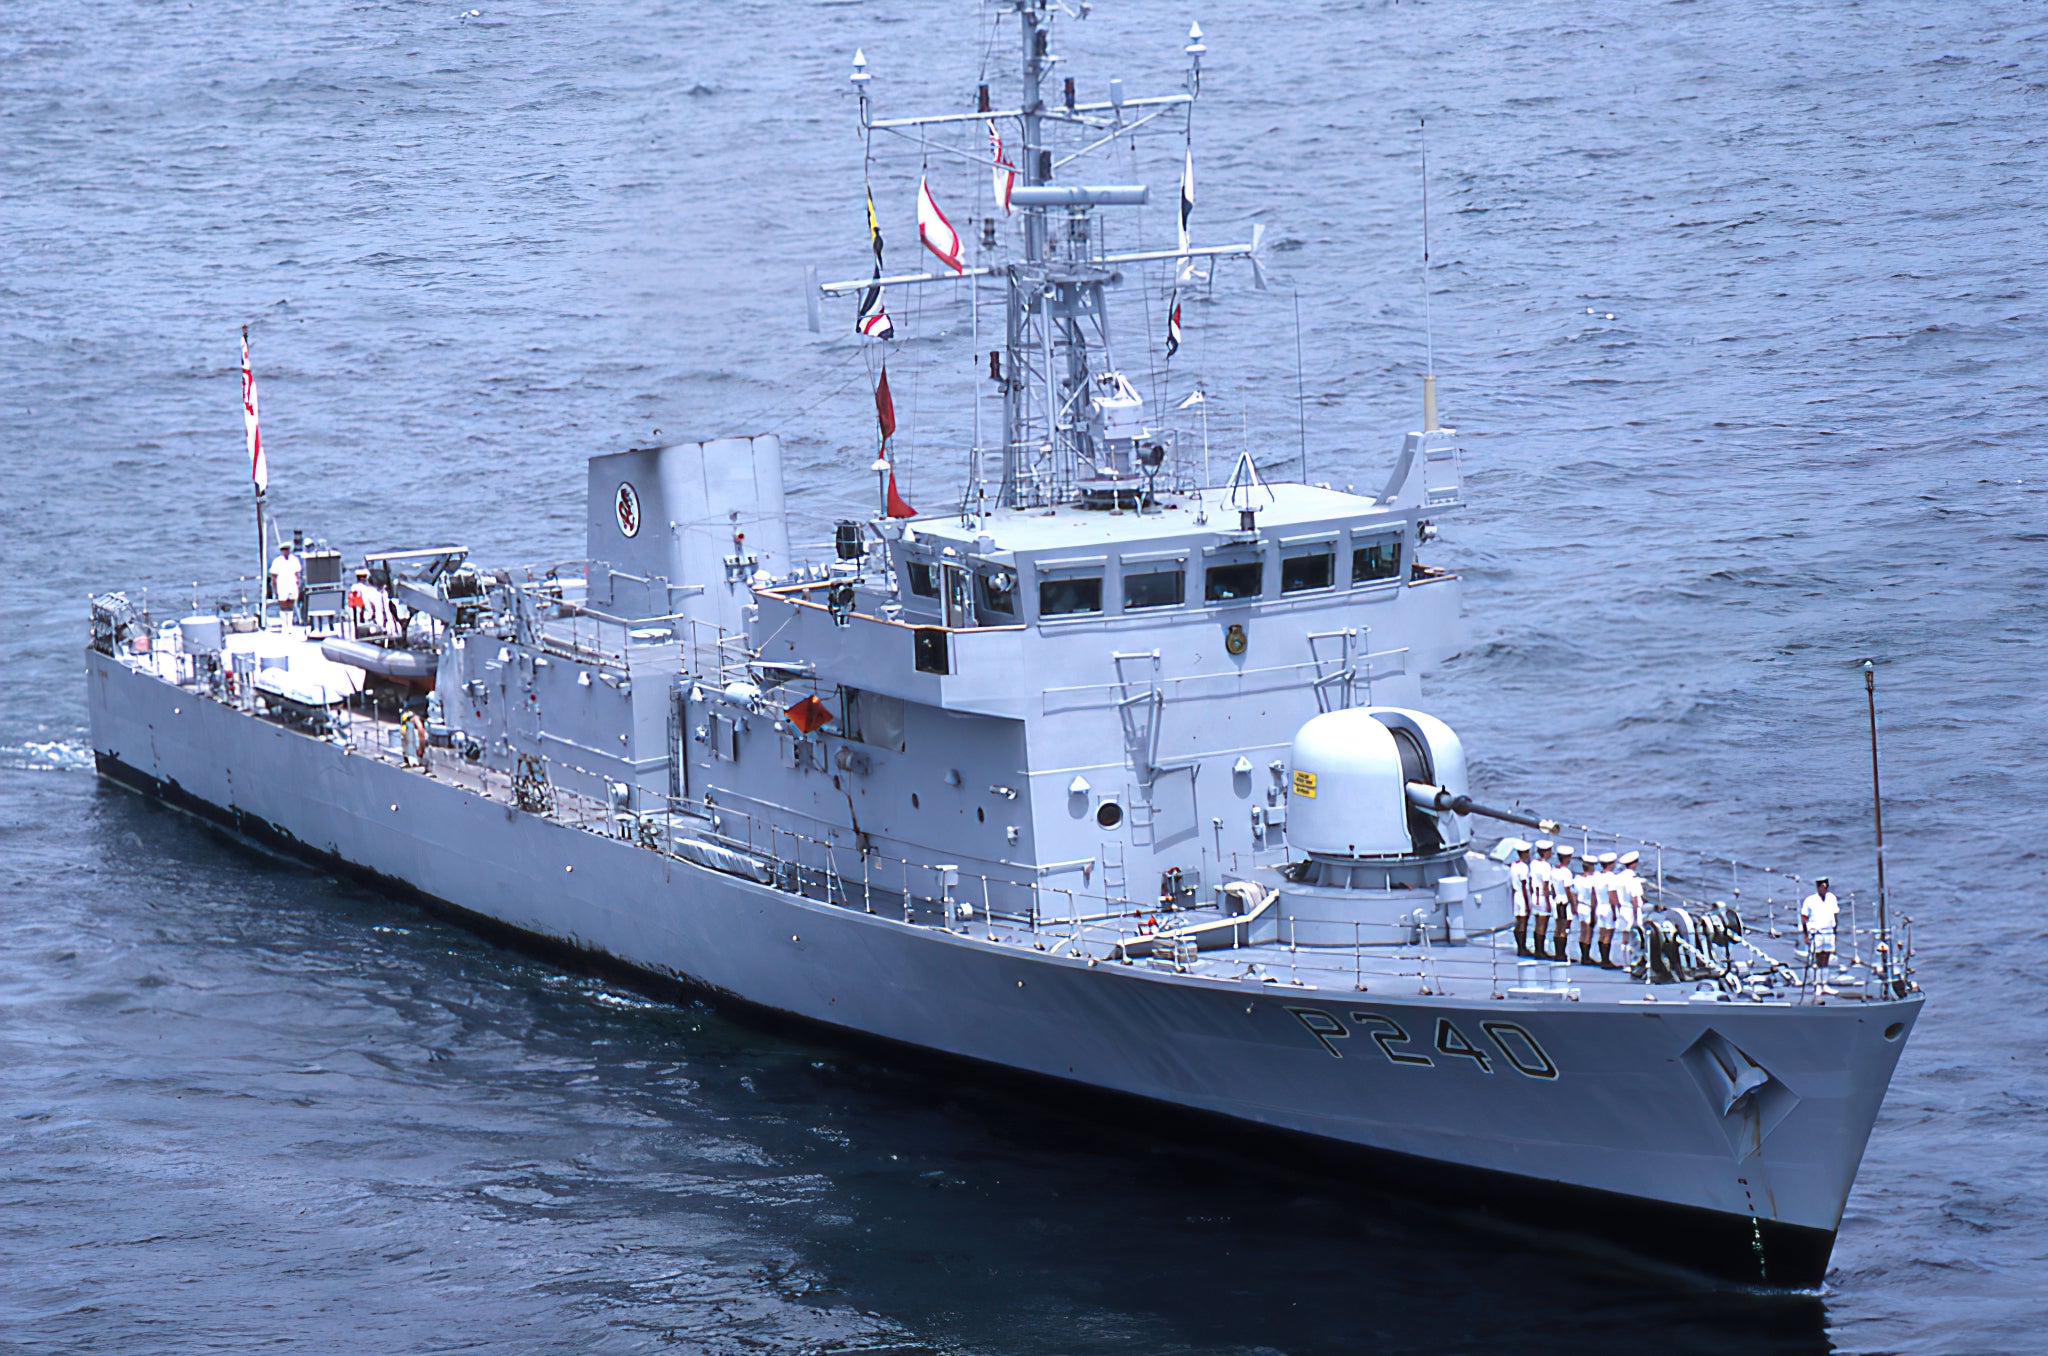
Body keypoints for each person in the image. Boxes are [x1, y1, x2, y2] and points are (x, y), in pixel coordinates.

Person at [1801, 876, 1841, 991]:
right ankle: (1818, 984)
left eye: (1825, 887)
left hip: (1829, 932)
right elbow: (1804, 918)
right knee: (1818, 958)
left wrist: (1835, 932)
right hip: (1816, 933)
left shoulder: (1831, 898)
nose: (1823, 889)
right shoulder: (1810, 900)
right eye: (1821, 887)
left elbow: (1835, 914)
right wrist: (1805, 935)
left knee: (1826, 957)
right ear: (1817, 887)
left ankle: (1825, 983)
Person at [1528, 840, 1558, 959]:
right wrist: (1548, 901)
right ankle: (1540, 951)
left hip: (1534, 895)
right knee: (1542, 924)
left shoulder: (1533, 863)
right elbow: (1546, 885)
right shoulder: (1546, 866)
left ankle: (1537, 948)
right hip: (1542, 896)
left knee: (1537, 923)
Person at [1594, 852, 1621, 968]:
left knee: (1602, 933)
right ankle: (1606, 960)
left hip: (1599, 906)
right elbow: (1612, 895)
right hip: (1608, 907)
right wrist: (1615, 910)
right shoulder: (1611, 877)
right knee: (1608, 934)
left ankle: (1602, 958)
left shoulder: (1597, 876)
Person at [1508, 840, 1534, 956]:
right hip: (1522, 895)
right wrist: (1528, 903)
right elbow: (1524, 885)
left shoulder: (1514, 865)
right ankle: (1522, 947)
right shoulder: (1524, 867)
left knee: (1518, 922)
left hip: (1516, 895)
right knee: (1523, 922)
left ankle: (1520, 946)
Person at [1551, 844, 1576, 960]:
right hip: (1564, 902)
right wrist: (1574, 904)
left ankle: (1558, 952)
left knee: (1558, 927)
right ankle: (1561, 953)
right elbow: (1568, 889)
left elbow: (1552, 886)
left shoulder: (1554, 870)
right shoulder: (1566, 872)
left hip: (1556, 900)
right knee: (1564, 927)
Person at [268, 542, 302, 625]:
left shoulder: (294, 560)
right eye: (283, 550)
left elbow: (297, 574)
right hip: (282, 586)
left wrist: (298, 585)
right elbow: (273, 576)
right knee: (283, 606)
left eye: (287, 550)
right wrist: (275, 589)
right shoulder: (277, 561)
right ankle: (284, 625)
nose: (285, 551)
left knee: (290, 606)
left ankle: (290, 625)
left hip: (292, 585)